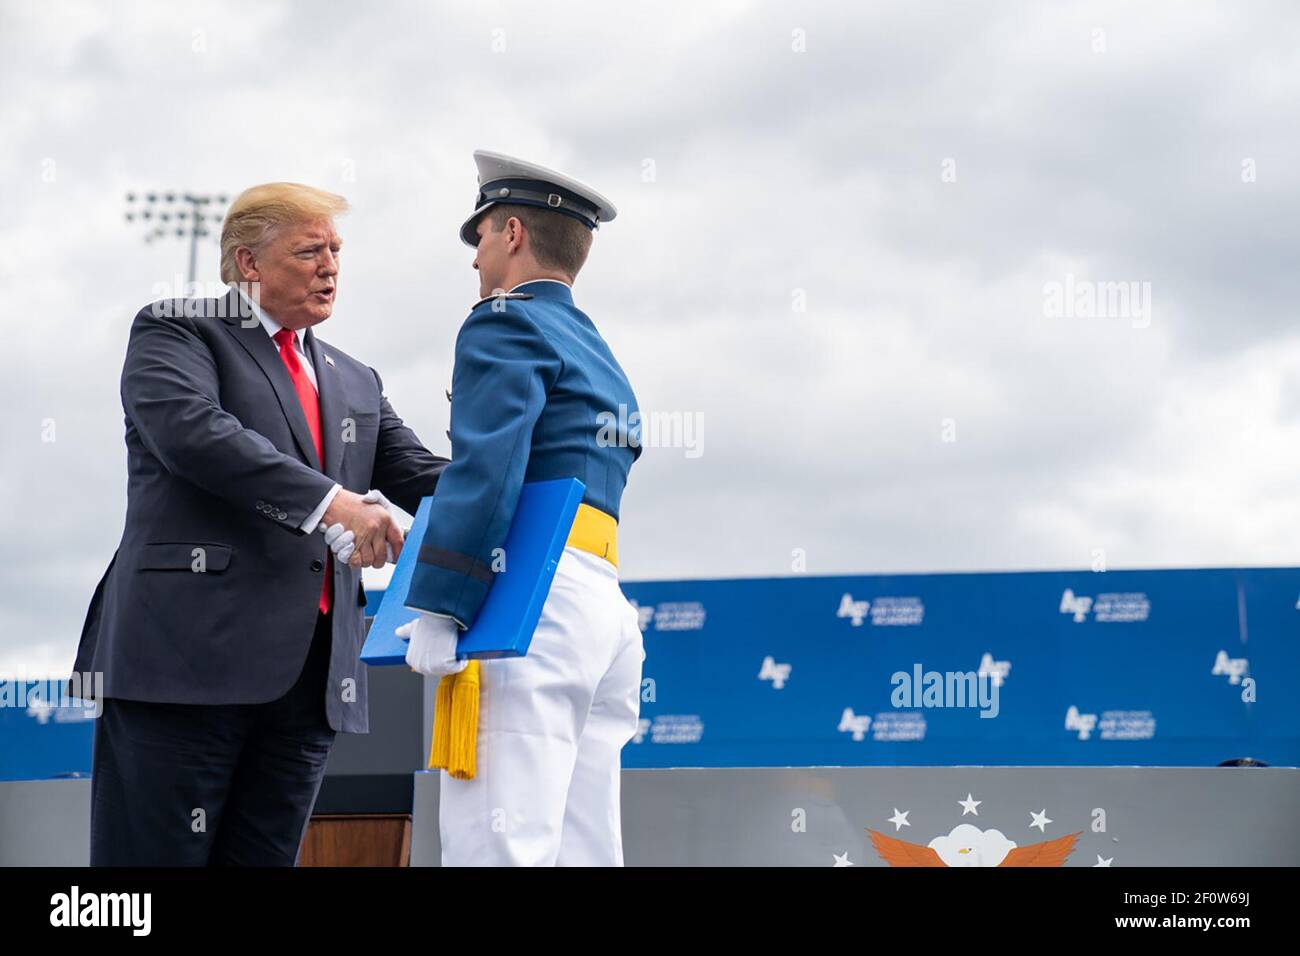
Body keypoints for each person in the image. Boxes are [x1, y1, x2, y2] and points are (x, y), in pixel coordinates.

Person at [72, 182, 448, 865]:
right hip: (186, 665)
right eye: (310, 251)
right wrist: (336, 503)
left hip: (308, 686)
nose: (331, 265)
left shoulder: (355, 379)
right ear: (248, 263)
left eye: (336, 249)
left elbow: (422, 476)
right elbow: (196, 436)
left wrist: (534, 479)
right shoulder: (178, 328)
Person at [379, 151, 643, 865]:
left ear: (515, 233)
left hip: (531, 600)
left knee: (501, 840)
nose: (476, 260)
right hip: (600, 601)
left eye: (482, 237)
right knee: (584, 846)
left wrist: (443, 601)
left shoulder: (502, 323)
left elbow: (490, 467)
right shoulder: (599, 348)